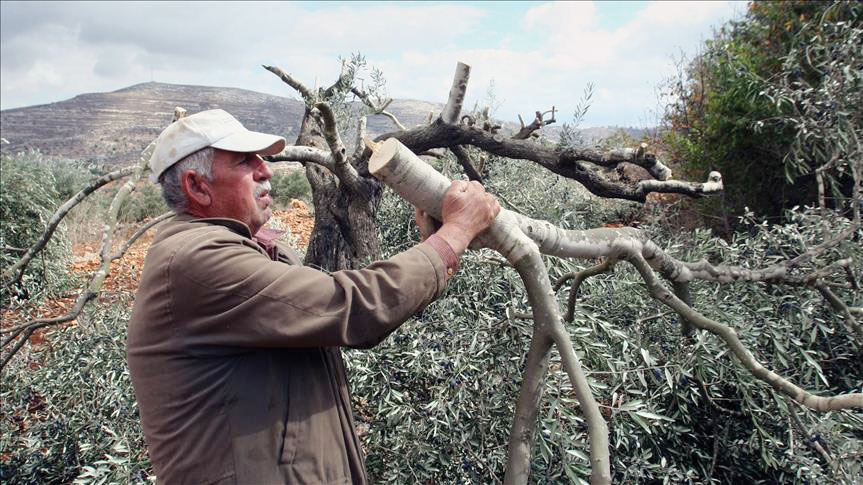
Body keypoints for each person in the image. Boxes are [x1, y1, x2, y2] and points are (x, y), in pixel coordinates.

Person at [126, 109, 500, 484]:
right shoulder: (197, 260)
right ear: (197, 186)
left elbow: (326, 308)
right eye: (244, 161)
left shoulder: (254, 250)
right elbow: (349, 306)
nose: (266, 170)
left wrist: (434, 248)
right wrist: (453, 235)